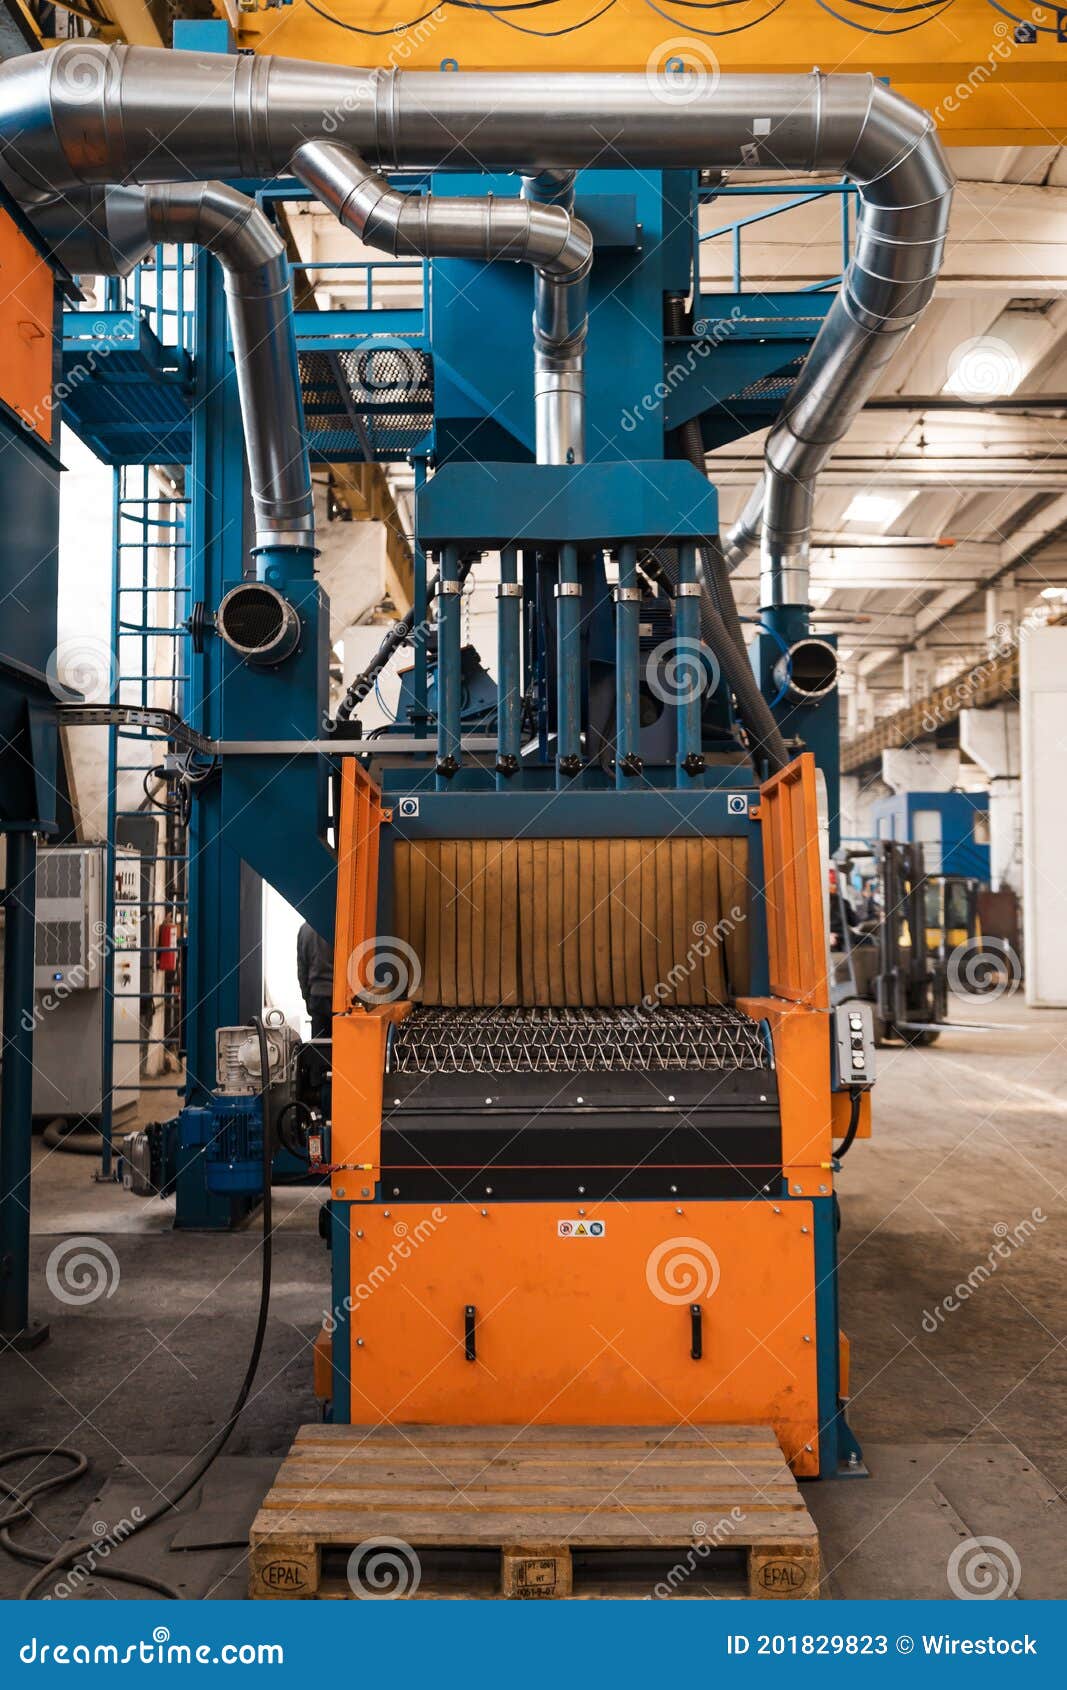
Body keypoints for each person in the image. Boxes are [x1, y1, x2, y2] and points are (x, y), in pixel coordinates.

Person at [297, 922, 334, 1040]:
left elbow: (302, 970)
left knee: (319, 1048)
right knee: (342, 1047)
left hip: (316, 996)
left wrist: (307, 997)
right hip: (340, 998)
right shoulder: (339, 924)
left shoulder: (304, 929)